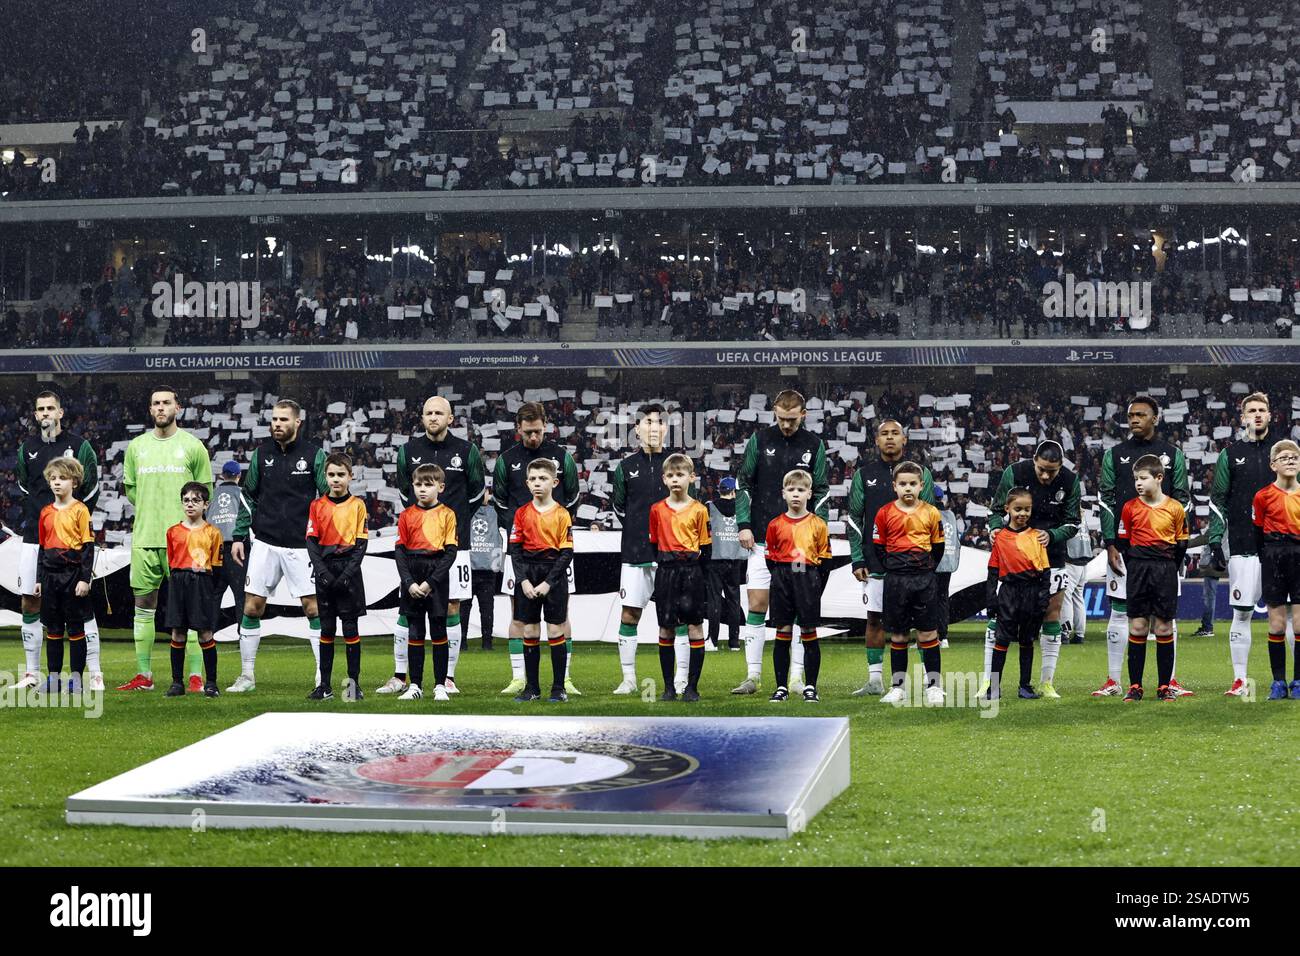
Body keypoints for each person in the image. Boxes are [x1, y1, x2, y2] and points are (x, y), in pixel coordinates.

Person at [380, 395, 485, 696]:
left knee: (451, 607)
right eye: (428, 413)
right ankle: (401, 676)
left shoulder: (467, 451)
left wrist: (449, 524)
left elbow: (476, 494)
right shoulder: (408, 451)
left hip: (455, 545)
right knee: (408, 610)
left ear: (451, 418)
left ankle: (447, 677)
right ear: (422, 417)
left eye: (440, 413)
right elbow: (404, 493)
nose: (433, 417)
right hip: (416, 549)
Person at [731, 389, 829, 696]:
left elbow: (822, 490)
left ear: (803, 414)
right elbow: (744, 483)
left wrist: (817, 531)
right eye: (781, 419)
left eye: (791, 419)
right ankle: (753, 676)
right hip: (762, 538)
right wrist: (744, 524)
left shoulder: (814, 445)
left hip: (800, 545)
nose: (786, 425)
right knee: (757, 604)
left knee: (801, 609)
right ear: (774, 412)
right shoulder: (760, 441)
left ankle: (798, 677)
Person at [1094, 395, 1192, 698]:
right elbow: (1106, 500)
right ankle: (1114, 680)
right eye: (1130, 415)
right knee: (1122, 612)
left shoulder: (1171, 454)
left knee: (1165, 618)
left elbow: (1183, 500)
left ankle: (1169, 681)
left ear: (1155, 418)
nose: (1134, 419)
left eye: (1141, 415)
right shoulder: (1115, 454)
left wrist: (1176, 548)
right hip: (1126, 550)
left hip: (1163, 554)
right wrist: (1111, 543)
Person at [228, 399, 328, 693]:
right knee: (252, 606)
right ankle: (247, 676)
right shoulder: (261, 455)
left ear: (298, 422)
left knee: (313, 609)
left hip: (302, 546)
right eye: (274, 419)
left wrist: (322, 538)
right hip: (266, 543)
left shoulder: (314, 455)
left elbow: (324, 500)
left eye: (284, 419)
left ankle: (322, 676)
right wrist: (238, 535)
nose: (277, 424)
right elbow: (248, 497)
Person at [119, 387, 213, 692]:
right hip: (146, 536)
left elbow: (204, 490)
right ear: (150, 410)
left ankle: (196, 677)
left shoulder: (192, 446)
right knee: (144, 604)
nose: (161, 408)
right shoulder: (136, 447)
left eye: (166, 403)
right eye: (156, 404)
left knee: (193, 610)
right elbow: (132, 490)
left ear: (178, 408)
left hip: (186, 541)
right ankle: (144, 676)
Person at [601, 403, 694, 694]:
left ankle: (680, 677)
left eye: (658, 422)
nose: (653, 427)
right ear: (637, 429)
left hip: (672, 554)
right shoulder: (626, 467)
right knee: (630, 615)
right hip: (636, 553)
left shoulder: (678, 465)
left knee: (678, 618)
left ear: (666, 428)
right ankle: (628, 679)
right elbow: (620, 507)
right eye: (647, 422)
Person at [15, 391, 103, 690]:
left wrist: (72, 520)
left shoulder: (80, 446)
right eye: (40, 409)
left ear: (61, 412)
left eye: (50, 408)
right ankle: (32, 673)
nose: (45, 413)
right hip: (36, 537)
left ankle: (93, 673)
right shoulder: (27, 448)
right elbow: (25, 486)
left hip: (72, 542)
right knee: (30, 600)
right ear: (36, 414)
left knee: (82, 605)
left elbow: (91, 487)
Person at [1205, 392, 1291, 695]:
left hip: (1284, 545)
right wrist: (1215, 540)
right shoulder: (1230, 454)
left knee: (1291, 615)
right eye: (1251, 410)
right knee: (1242, 613)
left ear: (1270, 416)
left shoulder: (1285, 452)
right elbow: (1218, 501)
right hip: (1244, 545)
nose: (1256, 414)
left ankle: (1292, 681)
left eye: (1262, 410)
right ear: (1242, 418)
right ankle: (1241, 681)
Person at [492, 402, 581, 696]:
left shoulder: (561, 456)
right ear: (519, 429)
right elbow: (500, 500)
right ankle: (522, 678)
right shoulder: (507, 459)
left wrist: (552, 523)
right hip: (521, 547)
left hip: (554, 548)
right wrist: (521, 525)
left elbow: (573, 495)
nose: (533, 437)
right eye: (528, 432)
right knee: (519, 615)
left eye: (538, 431)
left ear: (546, 427)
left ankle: (563, 680)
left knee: (561, 615)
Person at [845, 418, 936, 697]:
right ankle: (875, 680)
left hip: (914, 564)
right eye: (884, 434)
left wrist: (929, 559)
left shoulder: (921, 473)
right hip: (876, 562)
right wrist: (858, 558)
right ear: (876, 440)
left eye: (895, 433)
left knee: (922, 623)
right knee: (874, 619)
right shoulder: (864, 474)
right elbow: (854, 518)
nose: (890, 438)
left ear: (904, 439)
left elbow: (930, 516)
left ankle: (928, 682)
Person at [987, 440, 1081, 699]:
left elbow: (1074, 523)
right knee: (999, 621)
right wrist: (995, 529)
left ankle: (1046, 682)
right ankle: (989, 682)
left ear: (1061, 466)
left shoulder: (1071, 481)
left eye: (1052, 471)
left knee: (1052, 615)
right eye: (1041, 469)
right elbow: (996, 510)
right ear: (1034, 460)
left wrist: (1052, 535)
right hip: (1012, 555)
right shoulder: (1015, 472)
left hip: (1050, 556)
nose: (1046, 475)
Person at [1115, 454, 1189, 702]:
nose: (1138, 483)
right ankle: (1135, 686)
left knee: (1163, 627)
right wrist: (1137, 565)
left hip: (1165, 569)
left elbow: (1181, 545)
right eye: (1136, 478)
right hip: (1138, 570)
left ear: (1159, 478)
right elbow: (1123, 544)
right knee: (1137, 626)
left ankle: (1164, 687)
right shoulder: (1129, 507)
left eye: (1143, 478)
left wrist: (1168, 568)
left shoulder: (1175, 508)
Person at [875, 461, 947, 706]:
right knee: (899, 635)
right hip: (896, 580)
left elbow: (938, 548)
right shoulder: (884, 513)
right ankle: (898, 688)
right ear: (894, 486)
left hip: (924, 579)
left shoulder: (931, 513)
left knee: (928, 633)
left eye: (912, 484)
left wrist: (922, 568)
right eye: (903, 484)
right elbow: (879, 548)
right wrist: (897, 567)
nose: (908, 488)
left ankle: (934, 687)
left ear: (921, 486)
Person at [507, 458, 575, 703]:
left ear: (554, 482)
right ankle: (532, 688)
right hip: (528, 571)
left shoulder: (561, 514)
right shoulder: (521, 513)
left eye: (543, 478)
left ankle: (558, 688)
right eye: (533, 479)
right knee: (530, 629)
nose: (538, 483)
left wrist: (548, 582)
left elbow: (566, 553)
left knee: (556, 629)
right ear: (527, 483)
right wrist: (523, 581)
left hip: (552, 574)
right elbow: (514, 550)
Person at [305, 453, 369, 702]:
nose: (336, 479)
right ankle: (325, 686)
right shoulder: (317, 506)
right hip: (325, 570)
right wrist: (322, 572)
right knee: (327, 629)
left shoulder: (357, 505)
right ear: (325, 477)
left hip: (349, 572)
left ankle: (353, 686)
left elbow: (361, 544)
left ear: (350, 476)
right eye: (331, 474)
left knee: (351, 628)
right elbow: (311, 541)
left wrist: (346, 575)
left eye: (341, 474)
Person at [648, 454, 712, 701]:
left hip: (692, 573)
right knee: (666, 629)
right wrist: (667, 563)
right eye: (671, 476)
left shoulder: (699, 509)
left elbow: (706, 549)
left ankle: (692, 687)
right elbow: (654, 545)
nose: (676, 479)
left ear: (691, 477)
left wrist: (700, 577)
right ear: (664, 479)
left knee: (695, 627)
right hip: (666, 572)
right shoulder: (656, 510)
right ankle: (668, 688)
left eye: (681, 475)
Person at [764, 469, 832, 702]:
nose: (796, 494)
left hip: (808, 578)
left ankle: (811, 687)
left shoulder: (818, 524)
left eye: (801, 490)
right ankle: (781, 687)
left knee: (808, 632)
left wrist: (811, 585)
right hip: (782, 578)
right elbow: (770, 559)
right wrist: (785, 578)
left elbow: (825, 563)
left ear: (809, 494)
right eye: (791, 490)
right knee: (782, 632)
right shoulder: (774, 525)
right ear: (783, 493)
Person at [394, 464, 459, 702]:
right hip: (412, 571)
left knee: (439, 629)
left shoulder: (447, 514)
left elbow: (450, 552)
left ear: (440, 487)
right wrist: (409, 582)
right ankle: (416, 685)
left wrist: (431, 582)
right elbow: (399, 552)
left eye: (428, 484)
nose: (422, 489)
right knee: (415, 631)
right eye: (419, 484)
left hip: (436, 574)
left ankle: (440, 685)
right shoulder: (406, 515)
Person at [982, 487, 1050, 700]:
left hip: (1031, 591)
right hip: (1009, 592)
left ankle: (1025, 686)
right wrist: (991, 599)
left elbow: (1045, 571)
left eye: (1027, 509)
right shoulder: (1000, 538)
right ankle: (994, 688)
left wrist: (1043, 597)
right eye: (1018, 509)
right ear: (1007, 509)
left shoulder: (1036, 537)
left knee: (1027, 640)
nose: (1023, 514)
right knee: (1001, 640)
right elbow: (992, 572)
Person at [35, 457, 95, 694]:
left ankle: (77, 679)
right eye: (53, 479)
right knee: (53, 628)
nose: (56, 483)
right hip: (50, 577)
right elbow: (42, 548)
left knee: (76, 628)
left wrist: (84, 578)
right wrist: (39, 579)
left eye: (62, 478)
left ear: (74, 481)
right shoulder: (45, 512)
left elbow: (88, 547)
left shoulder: (80, 510)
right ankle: (53, 678)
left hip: (72, 576)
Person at [162, 482, 223, 698]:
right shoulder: (172, 532)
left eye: (196, 500)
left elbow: (216, 565)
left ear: (206, 504)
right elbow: (171, 561)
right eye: (186, 500)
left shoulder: (213, 532)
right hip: (179, 581)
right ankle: (177, 683)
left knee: (205, 633)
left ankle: (212, 683)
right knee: (178, 632)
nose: (190, 504)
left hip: (201, 582)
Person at [1251, 439, 1300, 700]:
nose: (1290, 461)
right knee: (1277, 624)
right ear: (1273, 465)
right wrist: (1268, 556)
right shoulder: (1263, 496)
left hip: (1299, 556)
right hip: (1273, 556)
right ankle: (1279, 682)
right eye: (1284, 458)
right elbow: (1258, 533)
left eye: (1294, 457)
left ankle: (1299, 681)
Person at [207, 460, 249, 632]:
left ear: (222, 475)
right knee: (240, 595)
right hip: (236, 548)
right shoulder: (243, 493)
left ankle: (208, 635)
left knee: (214, 595)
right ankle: (243, 635)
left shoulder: (212, 495)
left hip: (214, 549)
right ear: (239, 476)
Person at [706, 477, 747, 650]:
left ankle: (713, 641)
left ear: (719, 489)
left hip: (716, 557)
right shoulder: (742, 508)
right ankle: (734, 642)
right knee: (734, 601)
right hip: (736, 559)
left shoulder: (710, 506)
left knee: (715, 600)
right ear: (733, 491)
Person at [461, 488, 503, 651]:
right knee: (470, 609)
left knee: (484, 610)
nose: (487, 495)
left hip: (484, 569)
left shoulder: (495, 512)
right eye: (485, 492)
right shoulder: (468, 511)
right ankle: (466, 642)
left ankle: (485, 643)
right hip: (472, 568)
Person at [933, 486, 960, 649]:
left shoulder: (929, 513)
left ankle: (928, 636)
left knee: (927, 601)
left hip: (933, 564)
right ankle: (943, 636)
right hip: (948, 563)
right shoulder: (950, 515)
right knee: (943, 600)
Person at [1062, 510, 1094, 644]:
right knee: (1078, 597)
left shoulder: (1069, 516)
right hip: (1084, 561)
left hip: (1072, 561)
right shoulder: (1083, 518)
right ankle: (1080, 634)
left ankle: (1065, 632)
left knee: (1066, 597)